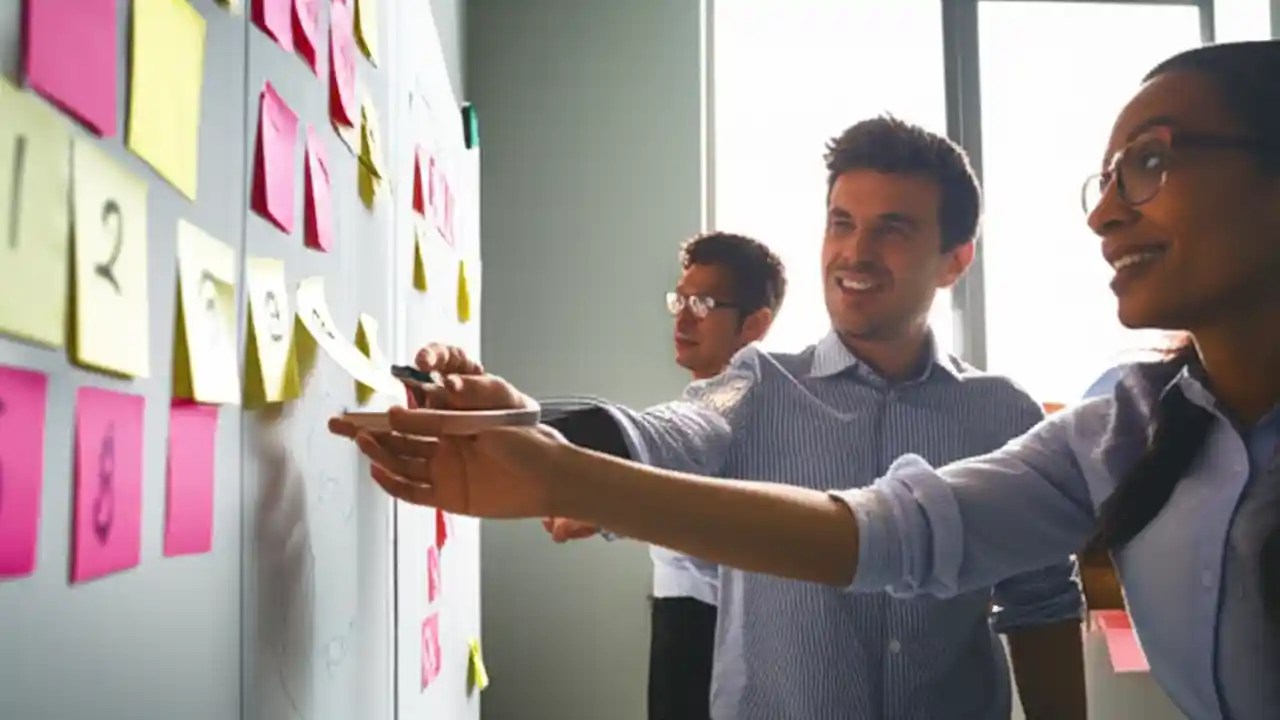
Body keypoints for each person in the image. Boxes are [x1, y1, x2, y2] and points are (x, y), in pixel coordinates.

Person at [334, 40, 1280, 720]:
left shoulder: (1006, 414)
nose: (854, 254)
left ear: (955, 261)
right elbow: (679, 435)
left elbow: (1036, 604)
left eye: (892, 229)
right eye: (840, 223)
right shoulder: (763, 384)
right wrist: (541, 434)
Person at [583, 231, 785, 720]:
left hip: (711, 629)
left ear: (755, 324)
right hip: (680, 614)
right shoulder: (713, 397)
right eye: (682, 298)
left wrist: (601, 503)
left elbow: (717, 524)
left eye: (705, 302)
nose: (683, 315)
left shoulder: (747, 405)